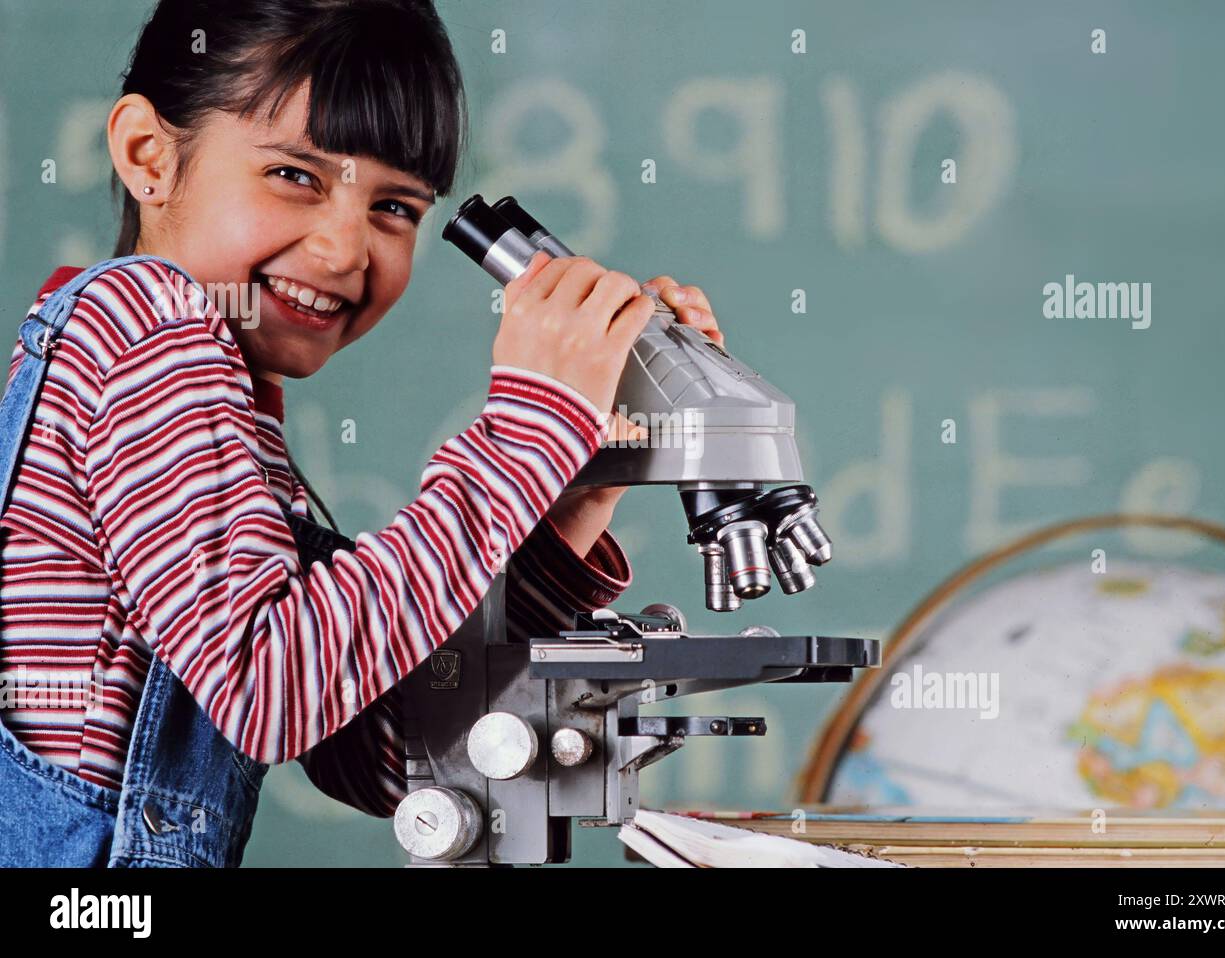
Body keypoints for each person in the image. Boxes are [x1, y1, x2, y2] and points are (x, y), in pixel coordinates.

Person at [0, 0, 724, 866]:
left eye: (395, 207)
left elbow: (385, 756)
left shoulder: (226, 416)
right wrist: (526, 433)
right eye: (296, 176)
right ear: (149, 155)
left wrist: (569, 498)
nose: (346, 249)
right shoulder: (143, 322)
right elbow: (264, 687)